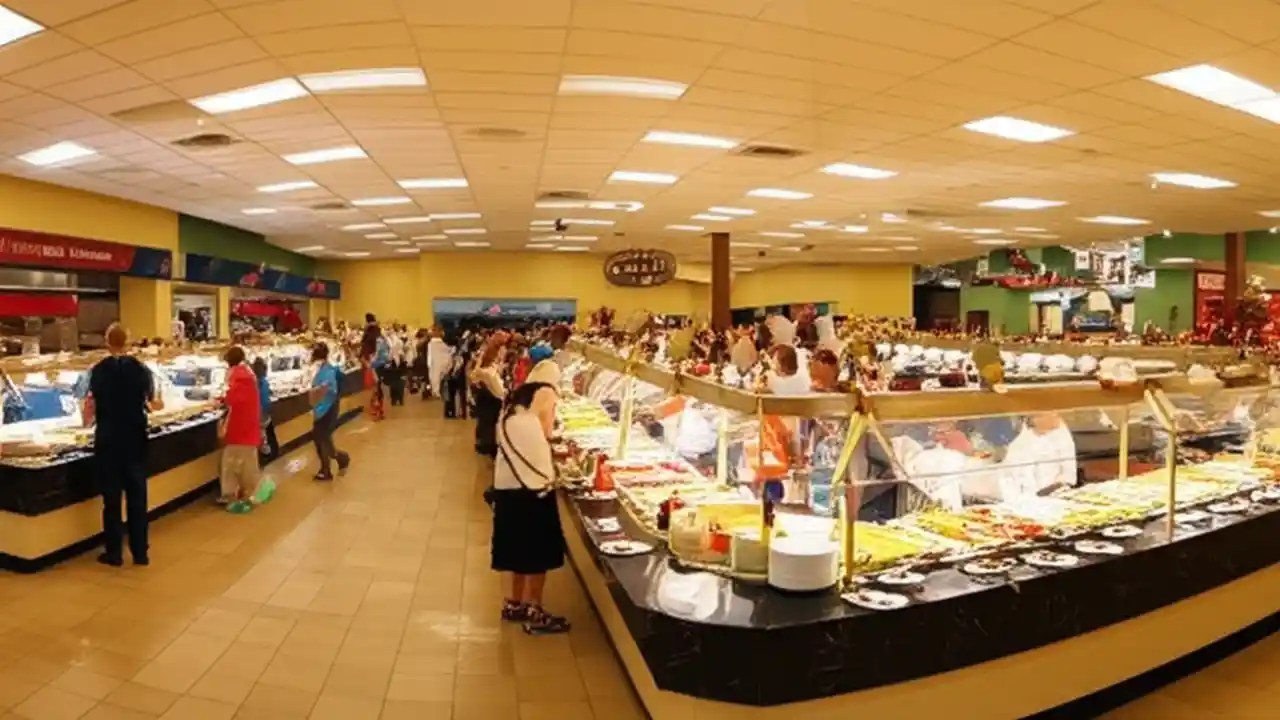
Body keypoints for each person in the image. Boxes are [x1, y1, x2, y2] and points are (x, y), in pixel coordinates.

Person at [491, 359, 570, 635]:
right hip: (533, 486)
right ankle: (535, 610)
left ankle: (514, 603)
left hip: (506, 483)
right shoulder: (548, 393)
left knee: (515, 547)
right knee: (538, 549)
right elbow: (547, 432)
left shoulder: (515, 398)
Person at [80, 323, 163, 567]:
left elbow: (90, 408)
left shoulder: (97, 371)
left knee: (112, 499)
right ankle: (140, 552)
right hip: (135, 438)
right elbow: (153, 403)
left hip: (108, 440)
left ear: (107, 342)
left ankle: (114, 553)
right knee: (138, 498)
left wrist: (86, 422)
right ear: (128, 341)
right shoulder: (141, 370)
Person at [217, 346, 262, 506]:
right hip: (249, 425)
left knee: (232, 462)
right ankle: (247, 492)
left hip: (239, 426)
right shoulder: (247, 373)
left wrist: (219, 400)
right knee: (247, 462)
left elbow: (232, 398)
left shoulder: (238, 375)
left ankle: (233, 494)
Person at [309, 343, 350, 481]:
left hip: (326, 409)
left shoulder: (326, 370)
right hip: (325, 408)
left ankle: (328, 468)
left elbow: (327, 388)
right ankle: (337, 461)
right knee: (323, 439)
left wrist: (315, 394)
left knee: (321, 439)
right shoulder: (326, 368)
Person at [470, 332, 508, 456]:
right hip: (491, 400)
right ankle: (488, 446)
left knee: (485, 423)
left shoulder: (484, 359)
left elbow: (473, 375)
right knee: (489, 424)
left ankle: (483, 443)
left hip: (484, 398)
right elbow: (500, 392)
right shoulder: (490, 371)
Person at [252, 357, 279, 463]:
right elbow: (266, 400)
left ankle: (266, 453)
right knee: (266, 434)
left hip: (257, 415)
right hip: (264, 415)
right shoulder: (264, 382)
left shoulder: (254, 383)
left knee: (262, 435)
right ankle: (269, 453)